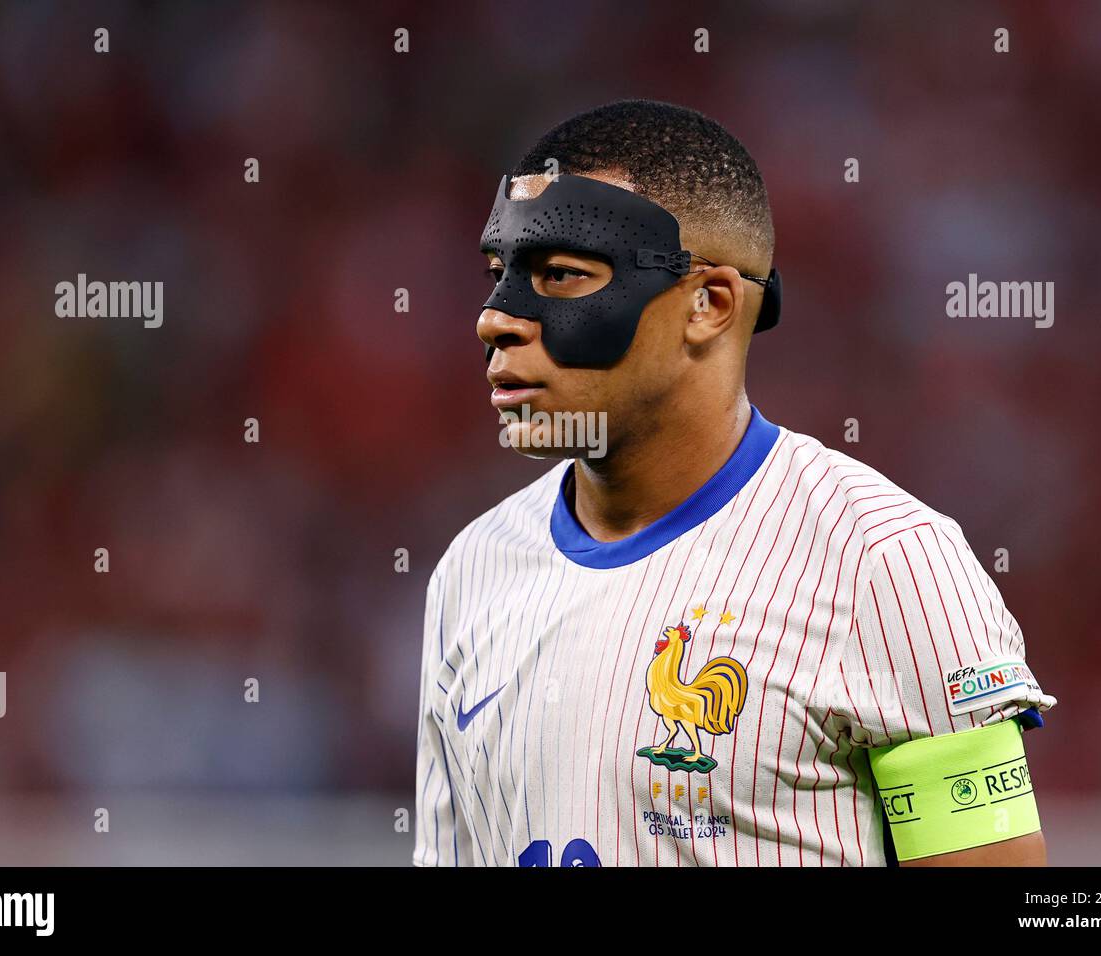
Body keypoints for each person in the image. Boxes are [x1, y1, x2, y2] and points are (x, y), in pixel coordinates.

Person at [414, 99, 1056, 867]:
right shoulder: (472, 570)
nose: (496, 318)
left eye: (561, 274)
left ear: (708, 304)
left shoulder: (887, 562)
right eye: (499, 275)